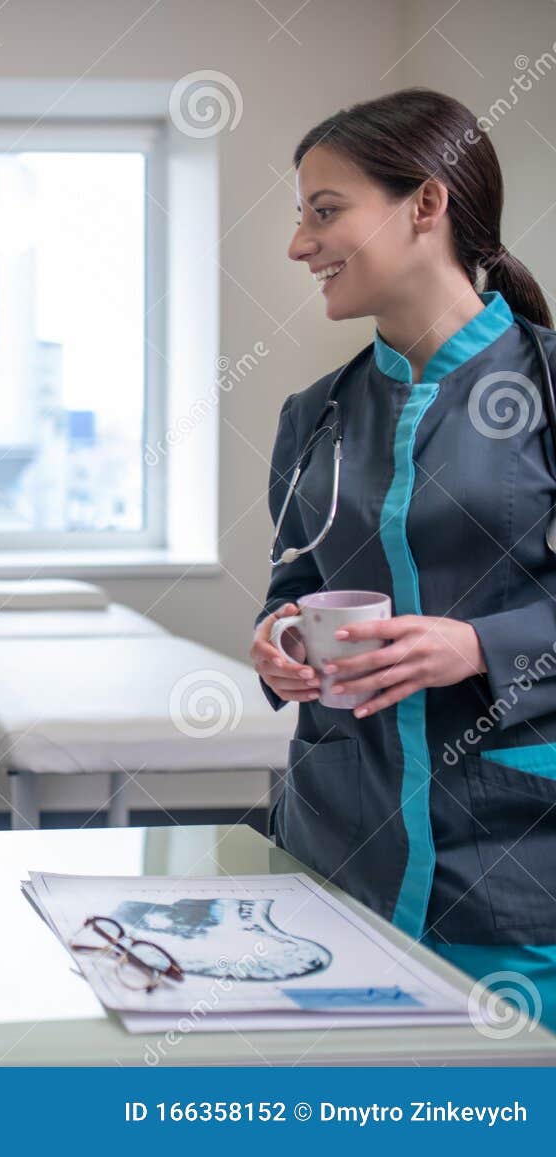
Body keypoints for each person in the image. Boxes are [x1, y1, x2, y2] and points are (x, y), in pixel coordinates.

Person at [252, 88, 556, 1020]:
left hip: (513, 864)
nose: (300, 245)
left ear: (425, 205)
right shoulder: (317, 416)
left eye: (325, 211)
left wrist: (482, 648)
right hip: (339, 850)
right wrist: (277, 637)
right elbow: (296, 584)